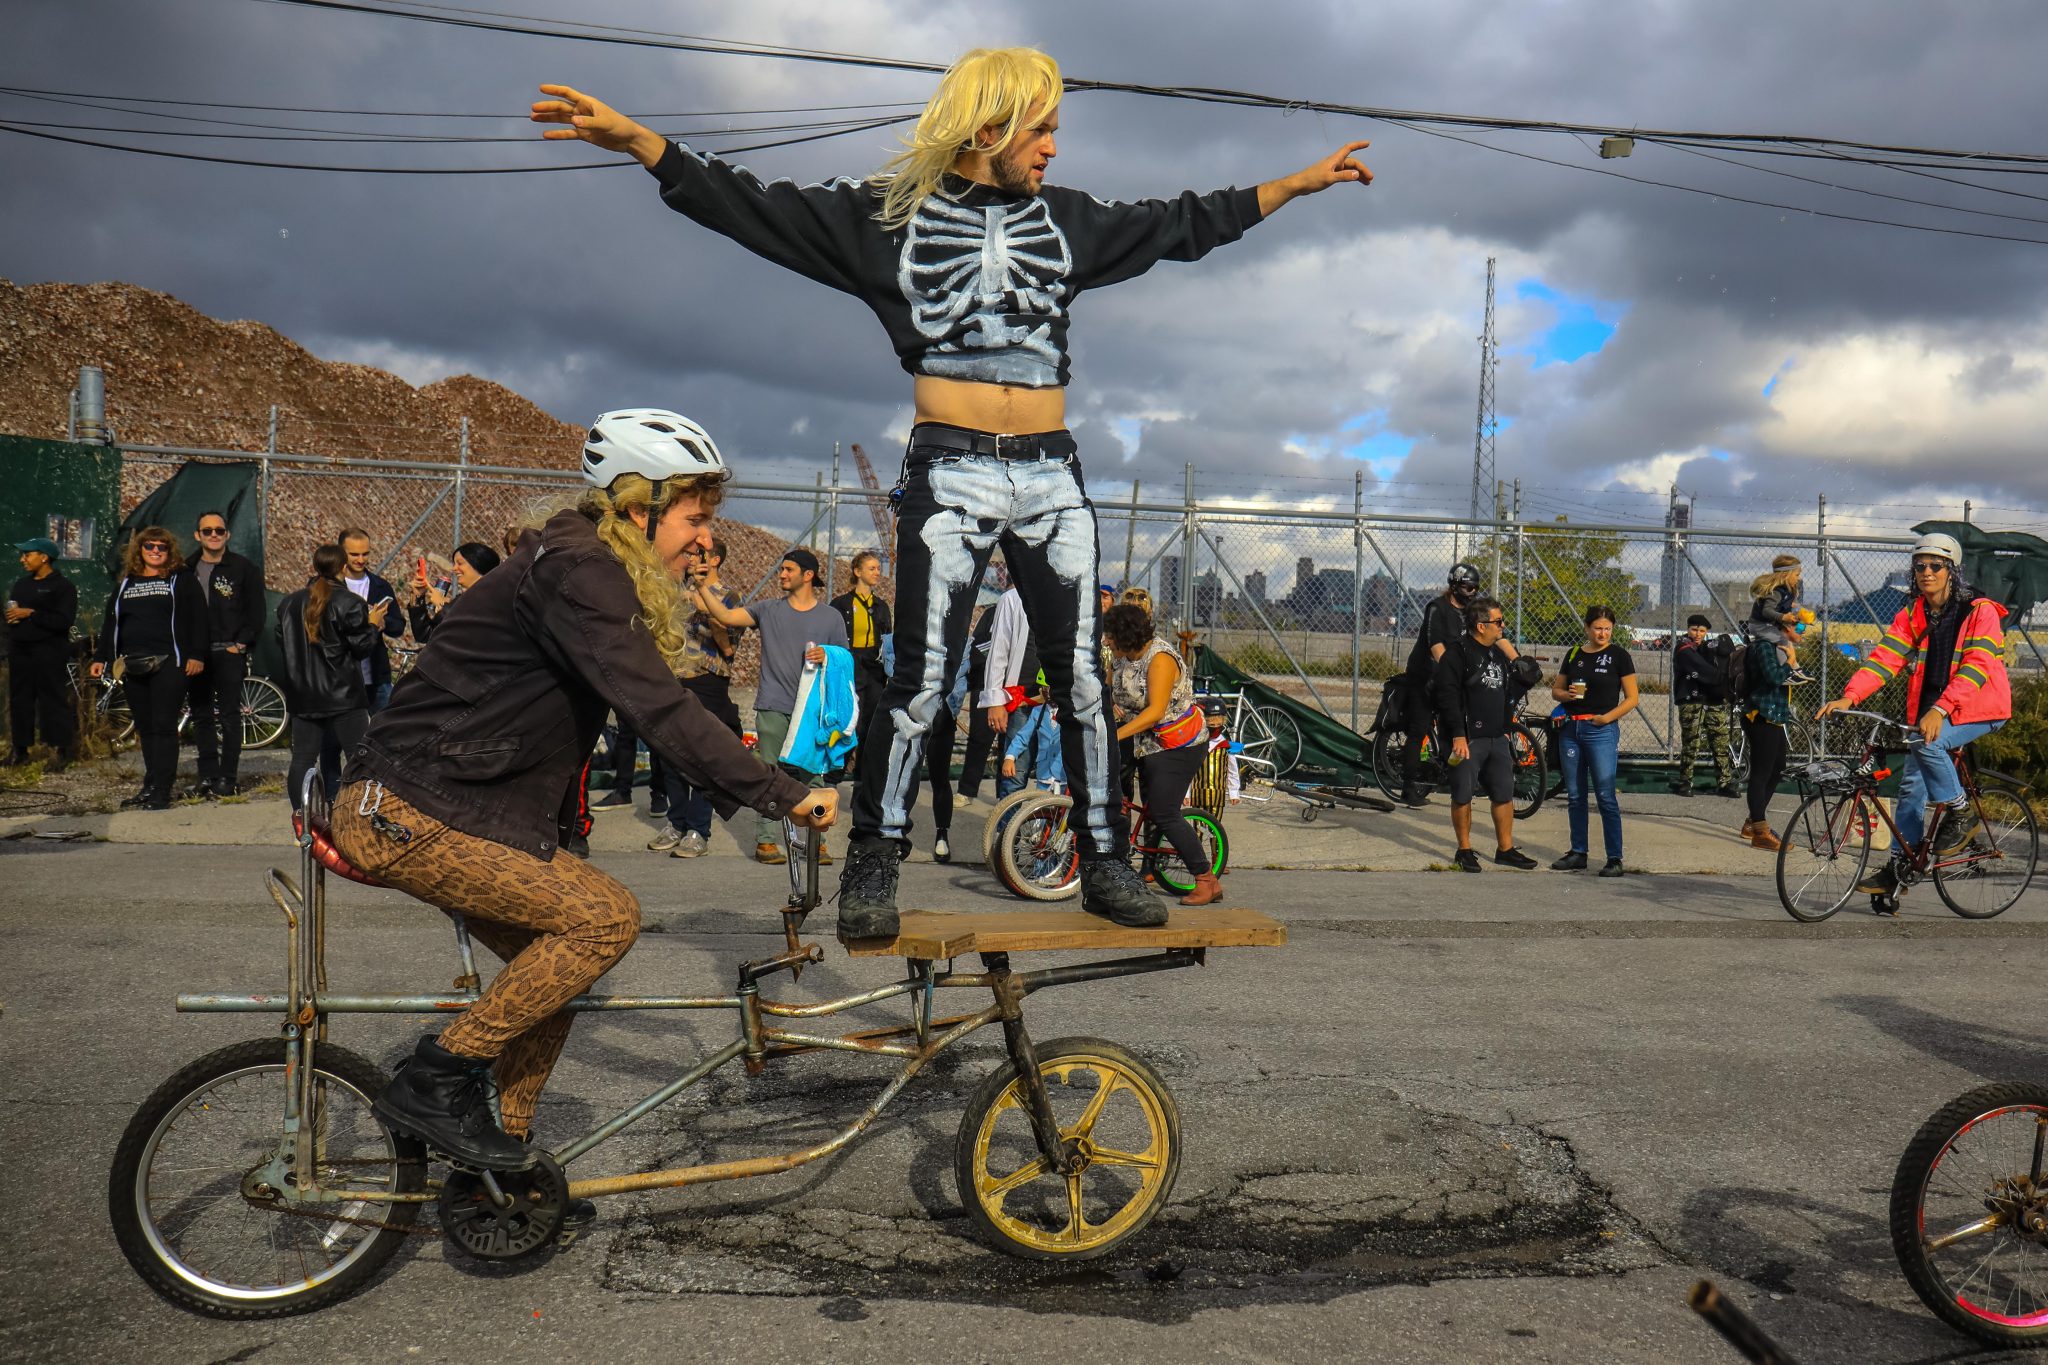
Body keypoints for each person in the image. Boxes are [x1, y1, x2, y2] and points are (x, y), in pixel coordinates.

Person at [536, 47, 1373, 936]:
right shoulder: (888, 222)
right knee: (921, 677)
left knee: (1084, 678)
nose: (1053, 146)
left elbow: (1179, 224)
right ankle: (875, 860)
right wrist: (641, 143)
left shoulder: (1070, 221)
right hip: (950, 467)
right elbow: (757, 209)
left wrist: (1292, 185)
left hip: (1052, 471)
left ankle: (1103, 860)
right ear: (990, 127)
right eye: (1041, 128)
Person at [329, 407, 833, 1175]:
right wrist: (782, 793)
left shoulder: (584, 563)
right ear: (640, 509)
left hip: (439, 802)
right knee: (604, 920)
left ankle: (504, 1168)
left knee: (552, 967)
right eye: (694, 518)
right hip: (405, 807)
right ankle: (432, 1081)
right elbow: (658, 707)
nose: (704, 538)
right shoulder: (580, 570)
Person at [1818, 532, 2012, 900]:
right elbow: (1886, 657)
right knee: (1910, 791)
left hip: (1979, 707)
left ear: (1952, 571)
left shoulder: (1980, 611)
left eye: (1936, 565)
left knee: (1926, 746)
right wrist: (1850, 696)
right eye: (1919, 565)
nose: (1926, 572)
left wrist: (1940, 709)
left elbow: (1978, 666)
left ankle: (1960, 813)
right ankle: (1898, 870)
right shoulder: (1915, 611)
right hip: (1932, 712)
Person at [692, 546, 850, 870]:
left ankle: (816, 842)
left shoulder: (831, 617)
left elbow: (846, 663)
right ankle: (766, 840)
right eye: (780, 569)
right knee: (768, 772)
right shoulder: (767, 610)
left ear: (808, 575)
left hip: (813, 712)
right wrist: (700, 586)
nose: (781, 574)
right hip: (773, 706)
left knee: (814, 774)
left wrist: (829, 656)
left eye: (788, 569)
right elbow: (725, 617)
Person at [1105, 603, 1214, 911]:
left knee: (1164, 811)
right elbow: (1114, 697)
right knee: (1113, 793)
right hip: (1142, 739)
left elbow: (1154, 712)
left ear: (1126, 634)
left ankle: (1206, 879)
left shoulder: (1160, 658)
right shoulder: (1121, 658)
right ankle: (1118, 863)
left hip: (1177, 744)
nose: (1105, 641)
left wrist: (1115, 735)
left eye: (1110, 635)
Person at [91, 527, 210, 809]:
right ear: (139, 550)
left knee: (164, 725)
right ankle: (150, 783)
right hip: (132, 663)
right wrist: (101, 658)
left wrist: (197, 654)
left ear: (170, 552)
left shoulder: (181, 579)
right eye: (149, 546)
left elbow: (199, 619)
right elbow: (112, 623)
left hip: (171, 660)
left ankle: (162, 790)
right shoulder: (126, 584)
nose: (155, 551)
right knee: (145, 727)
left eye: (161, 547)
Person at [647, 536, 746, 858]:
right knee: (669, 754)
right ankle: (676, 822)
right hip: (672, 678)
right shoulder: (676, 593)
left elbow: (728, 647)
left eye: (699, 555)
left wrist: (704, 598)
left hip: (708, 680)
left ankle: (698, 829)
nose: (692, 559)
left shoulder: (729, 597)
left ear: (714, 560)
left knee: (703, 758)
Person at [1431, 596, 1539, 873]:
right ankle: (1464, 849)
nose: (1502, 626)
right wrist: (1456, 734)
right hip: (1467, 738)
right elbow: (1448, 696)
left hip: (1495, 736)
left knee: (1503, 793)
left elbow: (1504, 694)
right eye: (1498, 621)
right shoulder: (1458, 653)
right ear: (1481, 625)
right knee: (1463, 793)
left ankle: (1505, 849)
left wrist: (1505, 729)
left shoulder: (1496, 653)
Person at [1403, 563, 1521, 807]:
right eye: (1468, 587)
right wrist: (1451, 671)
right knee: (1419, 727)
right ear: (1454, 586)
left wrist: (1518, 661)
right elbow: (1434, 643)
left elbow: (1497, 636)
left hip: (1458, 672)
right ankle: (1408, 785)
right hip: (1426, 675)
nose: (1472, 592)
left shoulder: (1473, 611)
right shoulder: (1437, 608)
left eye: (1475, 588)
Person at [276, 545, 378, 813]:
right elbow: (361, 648)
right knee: (359, 757)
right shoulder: (350, 602)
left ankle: (302, 819)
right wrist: (374, 625)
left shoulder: (289, 603)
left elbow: (282, 642)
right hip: (343, 695)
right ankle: (358, 818)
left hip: (303, 695)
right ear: (344, 567)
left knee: (303, 759)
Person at [1549, 605, 1639, 876]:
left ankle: (1614, 858)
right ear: (1587, 628)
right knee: (1575, 795)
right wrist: (1566, 696)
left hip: (1600, 730)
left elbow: (1632, 698)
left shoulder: (1618, 656)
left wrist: (1607, 718)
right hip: (1571, 731)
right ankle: (1578, 852)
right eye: (1597, 628)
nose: (1602, 633)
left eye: (1607, 628)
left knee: (1605, 795)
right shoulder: (1574, 654)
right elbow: (1556, 689)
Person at [187, 510, 262, 797]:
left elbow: (256, 612)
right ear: (198, 536)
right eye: (208, 531)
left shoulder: (243, 568)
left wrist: (240, 645)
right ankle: (207, 775)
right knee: (201, 714)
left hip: (228, 651)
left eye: (219, 530)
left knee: (230, 715)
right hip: (196, 654)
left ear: (227, 534)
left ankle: (228, 778)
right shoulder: (187, 568)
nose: (214, 535)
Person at [7, 537, 78, 769]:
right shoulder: (21, 584)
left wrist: (31, 614)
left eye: (28, 555)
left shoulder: (62, 587)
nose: (23, 559)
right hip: (21, 649)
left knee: (52, 699)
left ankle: (59, 750)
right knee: (20, 699)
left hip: (49, 650)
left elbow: (63, 620)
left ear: (44, 557)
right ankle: (20, 749)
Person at [1737, 613, 1798, 852]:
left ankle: (1753, 822)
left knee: (1778, 767)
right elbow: (1773, 676)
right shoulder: (1763, 647)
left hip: (1774, 715)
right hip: (1759, 715)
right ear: (1780, 627)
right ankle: (1760, 831)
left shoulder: (1778, 646)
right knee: (1761, 773)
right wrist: (1790, 663)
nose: (1801, 630)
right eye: (1797, 625)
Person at [336, 528, 406, 712]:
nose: (361, 560)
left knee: (380, 730)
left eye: (365, 554)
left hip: (375, 675)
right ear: (341, 553)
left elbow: (398, 626)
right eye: (354, 554)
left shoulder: (380, 586)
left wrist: (382, 623)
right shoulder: (329, 586)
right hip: (339, 675)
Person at [1670, 614, 1738, 798]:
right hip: (1691, 701)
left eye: (1702, 631)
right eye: (1694, 629)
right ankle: (1685, 781)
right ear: (1688, 629)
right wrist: (1723, 679)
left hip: (1712, 700)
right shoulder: (1683, 648)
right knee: (1692, 741)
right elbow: (1702, 669)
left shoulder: (1707, 649)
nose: (1698, 634)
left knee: (1720, 740)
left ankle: (1724, 782)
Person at [830, 550, 892, 735]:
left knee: (871, 716)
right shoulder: (841, 604)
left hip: (874, 665)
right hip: (850, 662)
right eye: (871, 568)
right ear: (857, 572)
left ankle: (864, 762)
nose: (877, 573)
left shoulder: (881, 606)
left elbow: (888, 637)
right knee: (849, 715)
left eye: (878, 569)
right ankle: (844, 759)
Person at [406, 542, 501, 644]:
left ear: (477, 563)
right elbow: (425, 635)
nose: (454, 569)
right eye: (454, 564)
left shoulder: (493, 598)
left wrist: (442, 605)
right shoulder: (461, 600)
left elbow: (469, 631)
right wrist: (417, 597)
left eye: (460, 563)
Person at [1748, 554, 1815, 686]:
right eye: (1796, 574)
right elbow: (1767, 611)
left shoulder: (1787, 591)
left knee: (1789, 642)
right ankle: (1787, 673)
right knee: (1783, 640)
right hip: (1759, 625)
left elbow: (1786, 606)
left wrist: (1799, 614)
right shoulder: (1776, 592)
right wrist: (1784, 617)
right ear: (1786, 574)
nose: (1798, 577)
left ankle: (1796, 670)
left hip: (1769, 624)